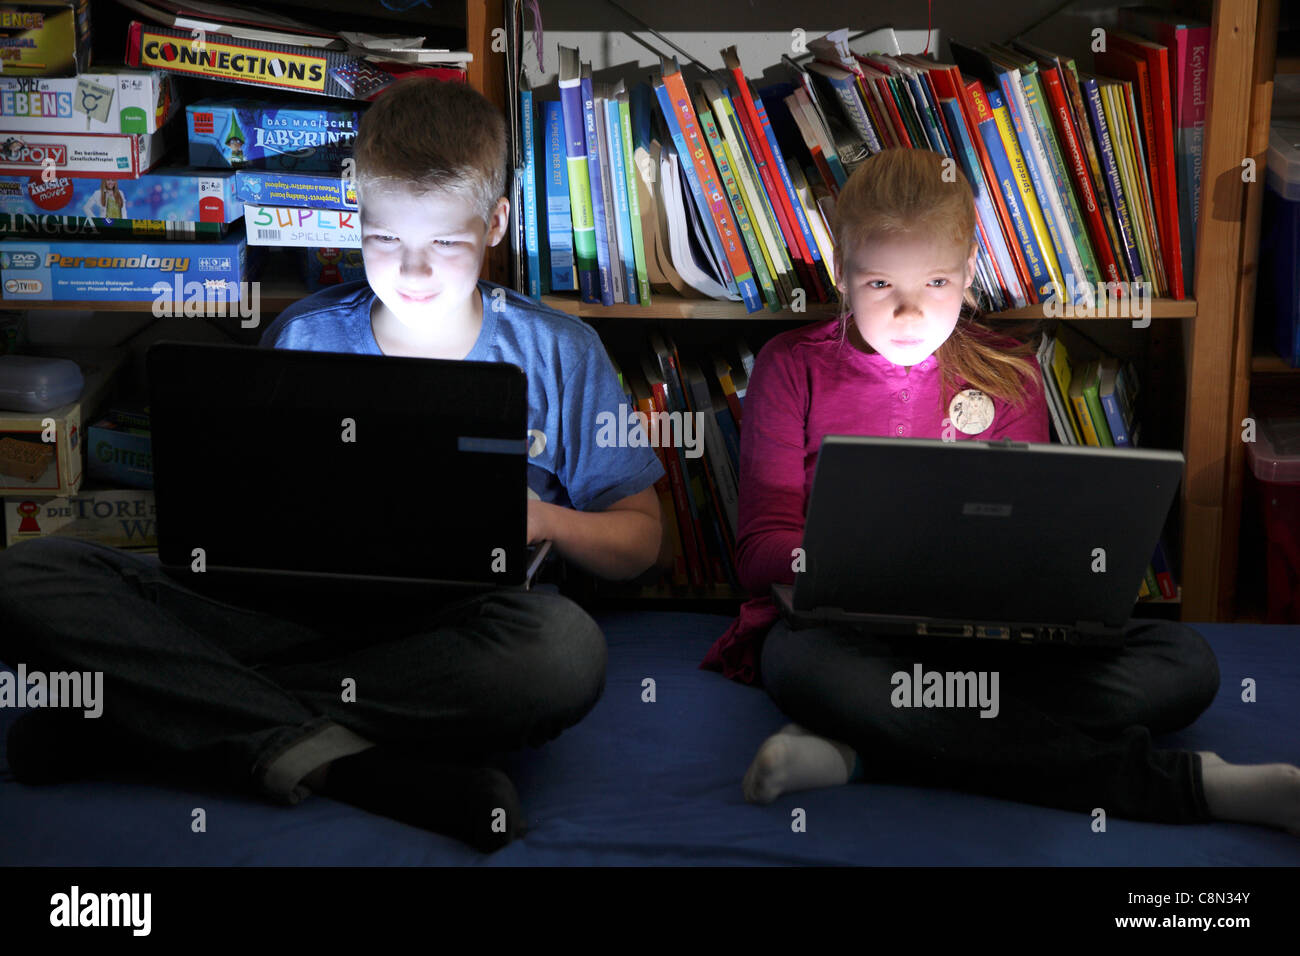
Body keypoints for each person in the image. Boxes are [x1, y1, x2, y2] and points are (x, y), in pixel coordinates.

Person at [0, 78, 664, 853]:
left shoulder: (558, 352)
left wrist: (545, 519)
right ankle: (357, 766)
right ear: (357, 224)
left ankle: (158, 718)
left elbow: (643, 543)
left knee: (563, 651)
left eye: (445, 243)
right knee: (29, 574)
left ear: (495, 226)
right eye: (386, 240)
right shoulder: (309, 336)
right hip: (283, 621)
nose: (412, 272)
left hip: (443, 640)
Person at [704, 148, 1300, 835]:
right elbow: (759, 550)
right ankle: (1191, 787)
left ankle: (860, 751)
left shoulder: (1007, 372)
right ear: (842, 277)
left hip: (992, 644)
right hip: (844, 637)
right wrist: (852, 564)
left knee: (1183, 663)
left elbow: (1030, 535)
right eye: (877, 286)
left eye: (934, 282)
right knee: (810, 672)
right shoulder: (792, 369)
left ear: (967, 273)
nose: (908, 312)